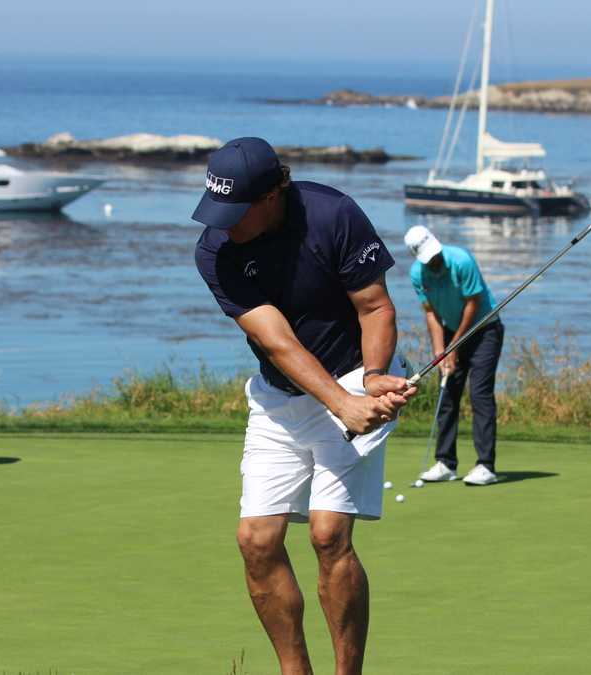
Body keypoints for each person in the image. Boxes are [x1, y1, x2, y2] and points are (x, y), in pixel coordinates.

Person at [193, 137, 416, 675]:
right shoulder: (214, 250)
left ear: (274, 193)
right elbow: (278, 342)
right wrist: (340, 401)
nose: (225, 224)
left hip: (358, 375)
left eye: (236, 210)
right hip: (282, 397)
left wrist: (374, 378)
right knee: (256, 540)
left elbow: (375, 305)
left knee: (327, 534)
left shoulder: (332, 214)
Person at [404, 226, 504, 486]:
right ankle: (446, 463)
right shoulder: (418, 274)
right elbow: (431, 314)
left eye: (435, 255)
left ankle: (485, 466)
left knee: (480, 393)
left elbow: (473, 303)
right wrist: (440, 352)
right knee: (448, 392)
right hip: (451, 330)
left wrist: (455, 346)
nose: (434, 261)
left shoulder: (461, 260)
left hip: (484, 329)